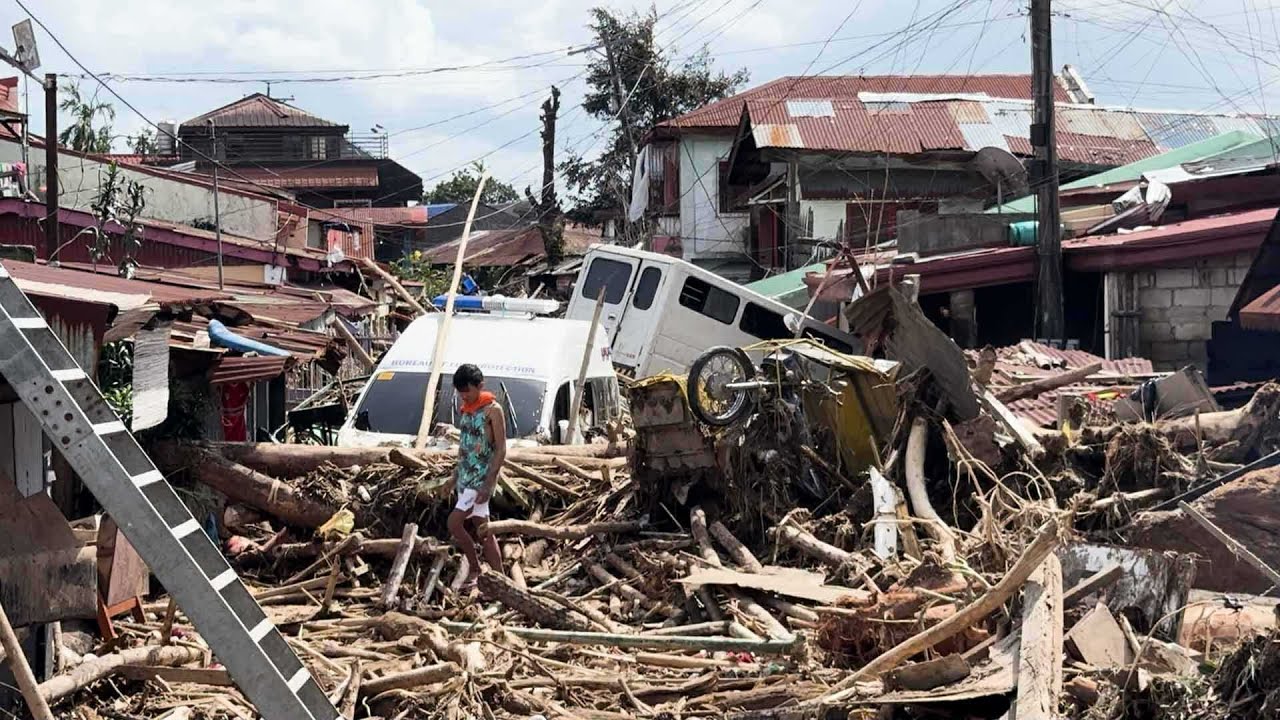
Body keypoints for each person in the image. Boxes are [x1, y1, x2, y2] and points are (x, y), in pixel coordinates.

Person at [446, 363, 506, 590]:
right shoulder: (466, 410)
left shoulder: (493, 410)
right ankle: (500, 578)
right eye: (460, 392)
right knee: (483, 528)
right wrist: (453, 478)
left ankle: (475, 567)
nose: (464, 396)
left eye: (467, 391)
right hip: (465, 477)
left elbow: (501, 449)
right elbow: (464, 449)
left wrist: (489, 483)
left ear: (480, 386)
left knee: (453, 523)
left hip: (480, 479)